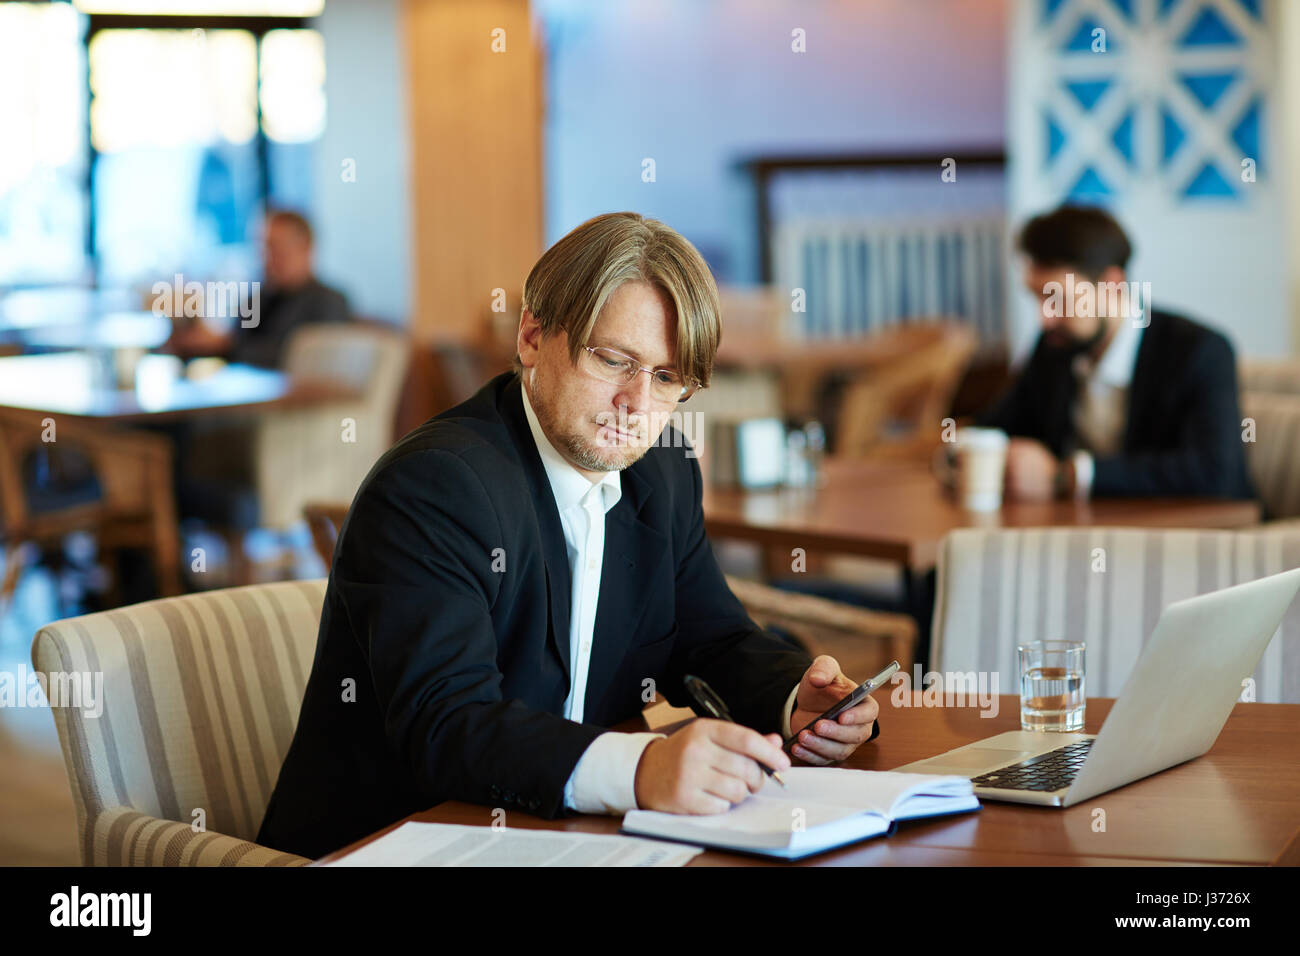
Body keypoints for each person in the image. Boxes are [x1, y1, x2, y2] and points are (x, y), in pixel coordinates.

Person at [256, 212, 881, 859]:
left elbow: (710, 635)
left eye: (667, 378)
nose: (637, 403)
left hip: (563, 837)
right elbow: (447, 725)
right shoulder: (436, 487)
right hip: (397, 844)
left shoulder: (660, 470)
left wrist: (796, 699)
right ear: (532, 336)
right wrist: (641, 770)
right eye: (614, 360)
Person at [978, 204, 1253, 501]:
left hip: (1201, 539)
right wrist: (960, 451)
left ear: (1111, 285)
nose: (1045, 318)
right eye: (1037, 298)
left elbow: (1214, 473)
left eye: (1056, 298)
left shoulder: (1199, 351)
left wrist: (1065, 476)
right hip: (1094, 535)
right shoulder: (1055, 347)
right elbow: (994, 428)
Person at [163, 208, 350, 369]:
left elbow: (297, 358)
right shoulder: (258, 298)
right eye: (263, 248)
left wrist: (225, 344)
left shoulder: (328, 301)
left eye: (275, 248)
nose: (267, 257)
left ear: (306, 248)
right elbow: (234, 345)